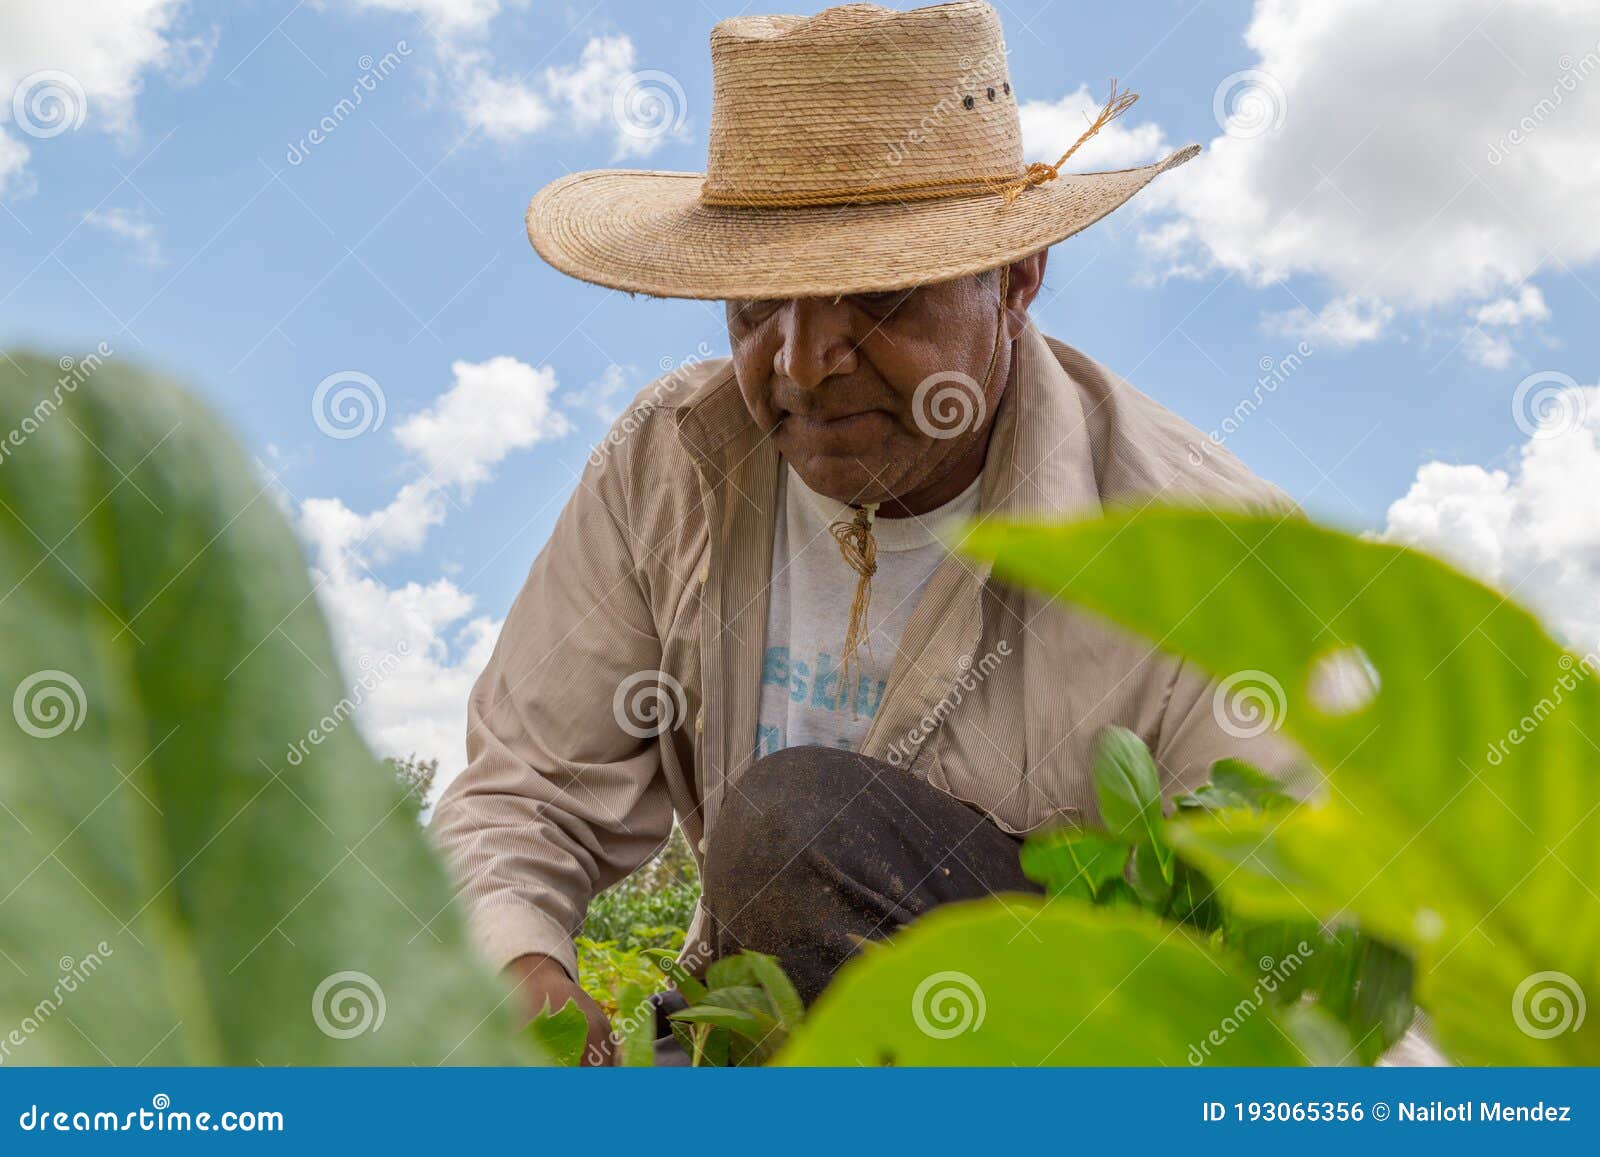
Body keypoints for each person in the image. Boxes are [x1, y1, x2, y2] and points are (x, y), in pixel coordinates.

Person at [431, 0, 1295, 1065]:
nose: (800, 362)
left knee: (801, 823)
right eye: (758, 307)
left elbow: (1300, 948)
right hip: (760, 1024)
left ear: (1015, 281)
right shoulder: (668, 462)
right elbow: (524, 791)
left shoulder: (1206, 550)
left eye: (877, 298)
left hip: (1078, 1063)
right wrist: (520, 970)